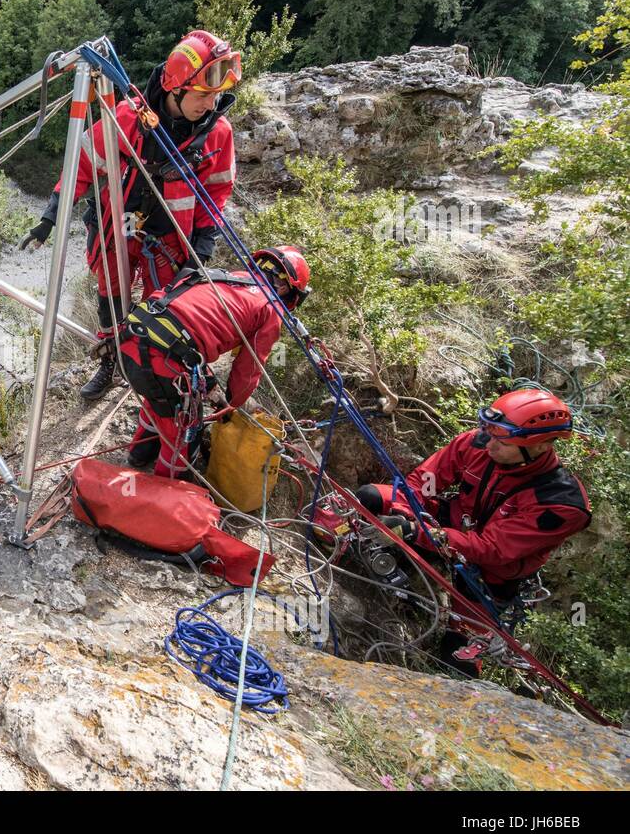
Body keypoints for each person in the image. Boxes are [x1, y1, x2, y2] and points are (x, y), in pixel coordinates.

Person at [21, 30, 242, 400]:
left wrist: (201, 249)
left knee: (167, 311)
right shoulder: (126, 117)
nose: (211, 103)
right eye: (203, 95)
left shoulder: (217, 134)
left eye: (216, 95)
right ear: (176, 88)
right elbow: (82, 164)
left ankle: (157, 380)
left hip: (171, 237)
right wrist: (51, 216)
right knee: (112, 297)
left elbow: (215, 196)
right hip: (117, 228)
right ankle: (111, 362)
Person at [356, 388, 591, 674]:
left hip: (489, 575)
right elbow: (422, 484)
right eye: (490, 434)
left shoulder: (560, 504)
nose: (491, 445)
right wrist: (406, 514)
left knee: (457, 660)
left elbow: (491, 549)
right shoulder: (478, 444)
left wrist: (419, 533)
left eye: (502, 442)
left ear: (541, 445)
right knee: (371, 497)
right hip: (449, 523)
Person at [118, 247, 310, 479]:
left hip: (130, 339)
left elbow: (190, 326)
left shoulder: (225, 276)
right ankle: (163, 494)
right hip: (165, 360)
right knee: (185, 431)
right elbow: (248, 370)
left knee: (163, 401)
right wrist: (230, 405)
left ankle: (139, 454)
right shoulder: (270, 308)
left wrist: (208, 383)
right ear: (286, 288)